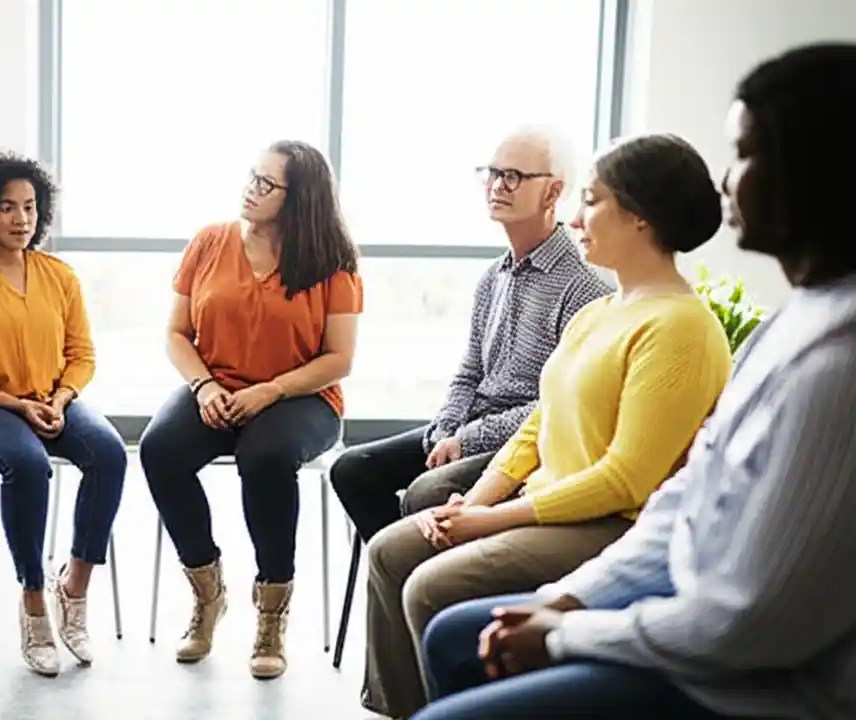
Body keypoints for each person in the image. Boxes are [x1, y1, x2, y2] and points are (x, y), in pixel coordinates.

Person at [413, 42, 856, 720]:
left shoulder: (832, 367)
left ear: (813, 169)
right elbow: (685, 499)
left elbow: (748, 621)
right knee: (452, 634)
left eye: (744, 155)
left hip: (748, 684)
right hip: (677, 598)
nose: (726, 182)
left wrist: (567, 627)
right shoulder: (791, 322)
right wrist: (566, 599)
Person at [362, 132, 733, 718]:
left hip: (608, 523)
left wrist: (491, 519)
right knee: (389, 552)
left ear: (640, 218)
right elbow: (540, 422)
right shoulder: (599, 311)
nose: (578, 217)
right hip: (550, 506)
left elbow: (625, 481)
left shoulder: (680, 328)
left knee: (432, 586)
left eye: (592, 200)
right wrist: (469, 504)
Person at [139, 140, 361, 679]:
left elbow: (338, 359)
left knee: (264, 457)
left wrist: (271, 391)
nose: (251, 189)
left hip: (301, 398)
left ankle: (272, 611)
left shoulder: (333, 262)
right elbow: (175, 333)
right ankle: (207, 592)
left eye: (267, 184)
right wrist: (204, 387)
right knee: (159, 449)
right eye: (251, 177)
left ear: (299, 198)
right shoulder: (210, 241)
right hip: (216, 386)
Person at [330, 126, 612, 544]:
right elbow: (469, 372)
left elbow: (555, 405)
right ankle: (407, 580)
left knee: (429, 492)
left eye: (513, 176)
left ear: (553, 193)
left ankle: (420, 578)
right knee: (353, 469)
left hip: (520, 446)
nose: (497, 186)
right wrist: (446, 429)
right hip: (467, 429)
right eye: (492, 173)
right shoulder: (492, 278)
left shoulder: (586, 289)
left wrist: (468, 438)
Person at [0, 150, 126, 676]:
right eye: (7, 208)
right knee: (29, 464)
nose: (21, 220)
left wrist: (59, 399)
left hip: (50, 400)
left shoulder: (59, 276)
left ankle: (73, 587)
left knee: (108, 452)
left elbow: (82, 356)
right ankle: (33, 598)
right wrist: (16, 404)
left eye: (30, 207)